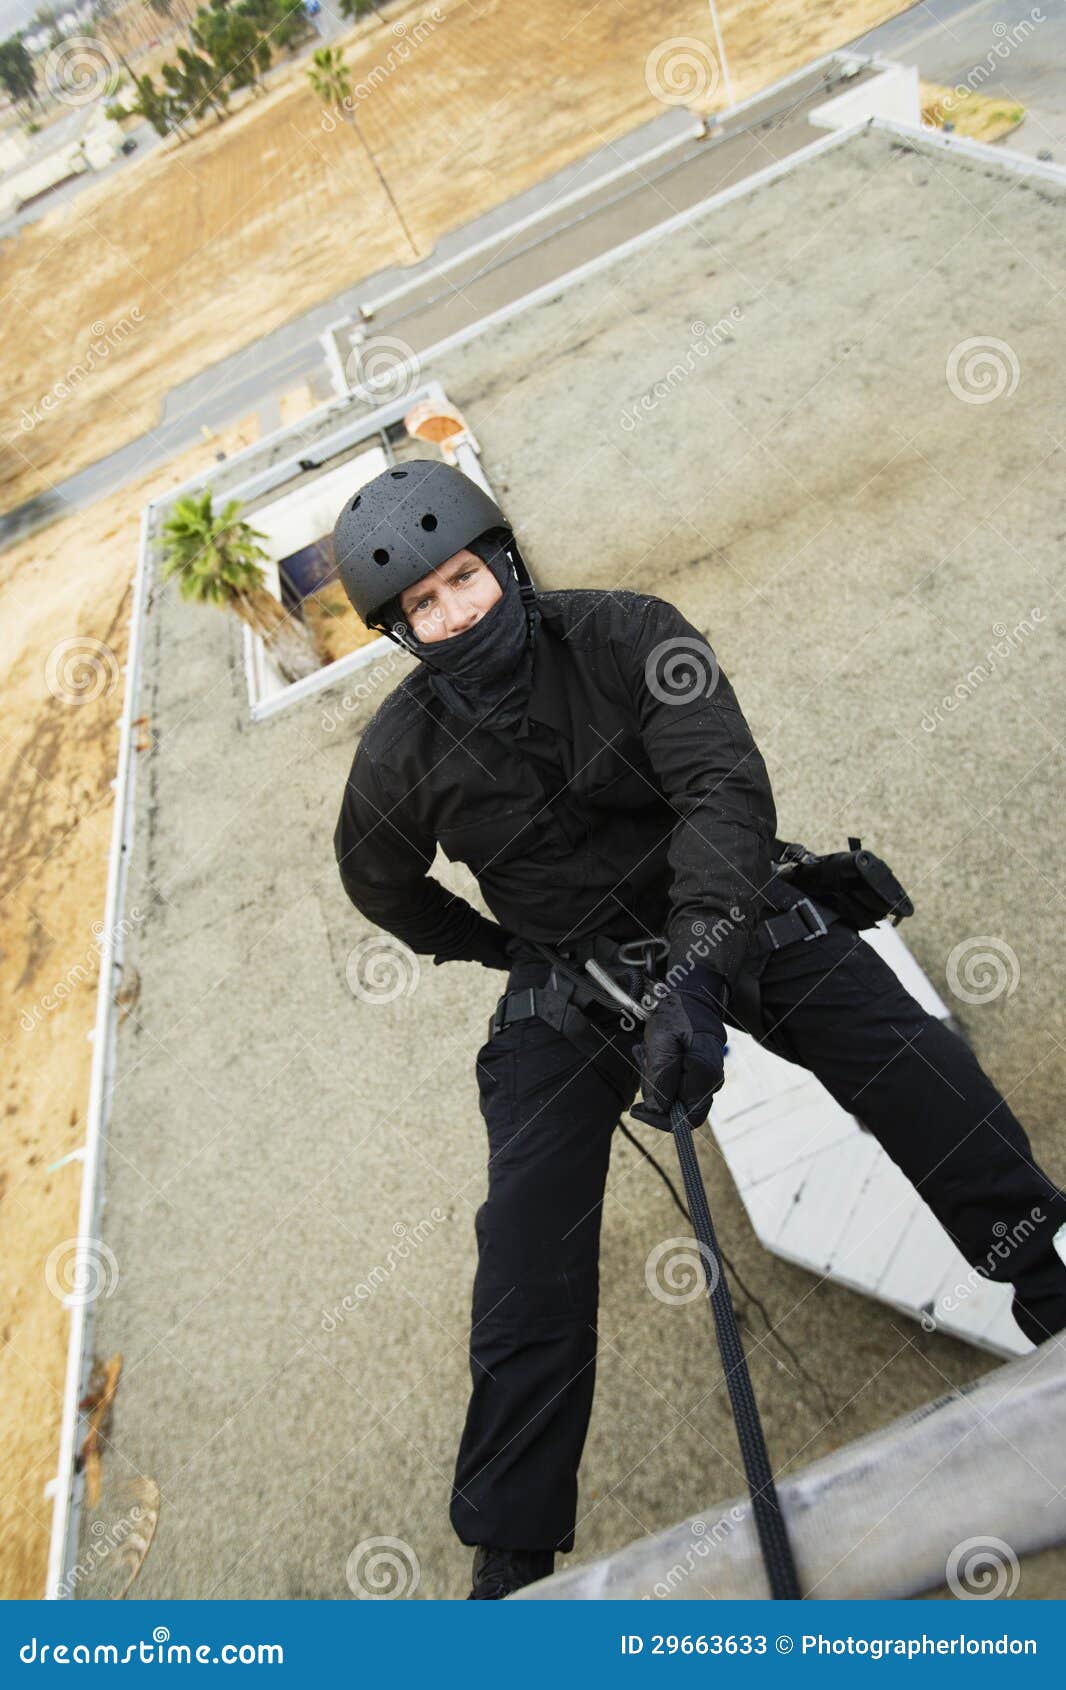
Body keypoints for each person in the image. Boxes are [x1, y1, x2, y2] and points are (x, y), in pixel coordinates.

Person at [331, 459, 1066, 1600]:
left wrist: (693, 979)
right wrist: (498, 952)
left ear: (507, 563)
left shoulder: (632, 634)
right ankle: (509, 1554)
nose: (452, 614)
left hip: (718, 906)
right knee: (525, 1228)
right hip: (564, 973)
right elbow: (378, 884)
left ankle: (1044, 1281)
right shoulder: (396, 756)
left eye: (464, 579)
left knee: (909, 1058)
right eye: (420, 607)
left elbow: (724, 793)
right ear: (399, 633)